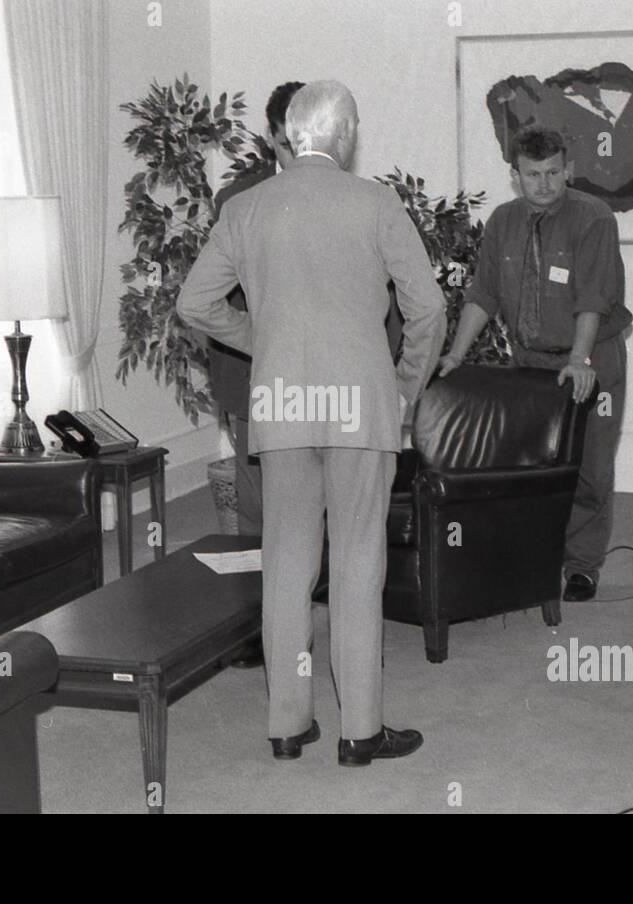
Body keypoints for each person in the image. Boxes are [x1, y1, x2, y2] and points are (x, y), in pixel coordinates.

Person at [177, 80, 446, 765]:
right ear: (347, 135)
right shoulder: (377, 202)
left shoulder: (248, 209)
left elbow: (195, 304)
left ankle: (288, 722)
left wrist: (262, 337)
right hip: (360, 404)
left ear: (290, 136)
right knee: (358, 562)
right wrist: (404, 388)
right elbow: (429, 311)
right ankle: (361, 730)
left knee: (288, 563)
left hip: (282, 404)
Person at [438, 127, 632, 604]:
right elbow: (482, 295)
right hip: (528, 362)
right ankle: (534, 559)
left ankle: (583, 566)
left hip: (590, 359)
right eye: (532, 174)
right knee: (530, 468)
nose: (543, 184)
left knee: (588, 469)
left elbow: (593, 299)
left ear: (568, 169)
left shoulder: (594, 218)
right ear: (515, 175)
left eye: (552, 173)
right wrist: (455, 355)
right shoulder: (503, 222)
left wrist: (579, 360)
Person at [208, 81, 304, 539]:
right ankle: (260, 606)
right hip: (253, 374)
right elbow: (213, 298)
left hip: (326, 378)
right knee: (256, 506)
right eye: (287, 145)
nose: (297, 157)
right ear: (270, 137)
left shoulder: (356, 200)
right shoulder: (235, 203)